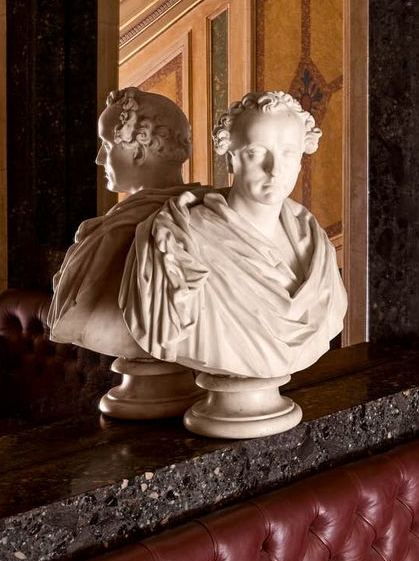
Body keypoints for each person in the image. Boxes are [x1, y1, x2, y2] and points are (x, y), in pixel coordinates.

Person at [121, 90, 346, 379]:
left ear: (302, 158)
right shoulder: (179, 243)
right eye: (255, 153)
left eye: (288, 153)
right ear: (230, 160)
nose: (274, 169)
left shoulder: (315, 244)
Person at [48, 87, 197, 357]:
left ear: (139, 150)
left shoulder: (158, 227)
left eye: (106, 145)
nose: (99, 159)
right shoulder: (121, 222)